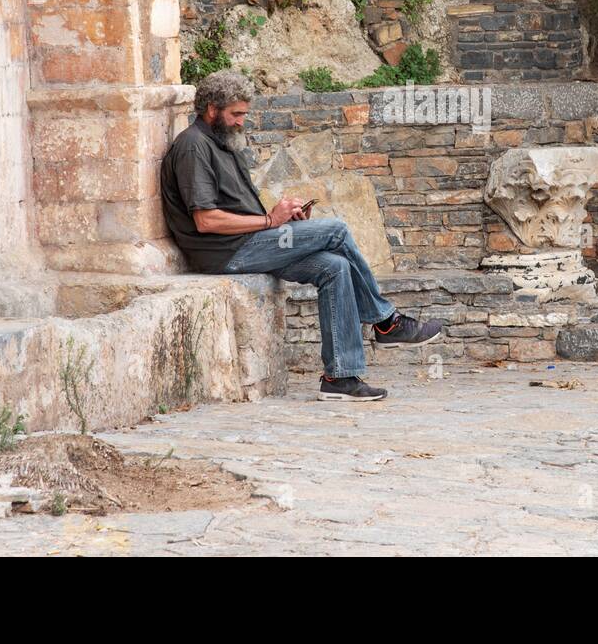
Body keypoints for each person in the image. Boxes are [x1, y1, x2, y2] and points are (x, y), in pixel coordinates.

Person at [161, 70, 443, 401]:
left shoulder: (223, 143)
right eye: (236, 114)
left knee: (335, 267)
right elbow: (206, 221)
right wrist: (271, 220)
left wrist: (283, 219)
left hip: (252, 243)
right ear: (212, 108)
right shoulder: (193, 147)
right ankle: (386, 322)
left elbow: (238, 211)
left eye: (244, 114)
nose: (241, 122)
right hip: (227, 252)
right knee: (336, 229)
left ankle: (340, 378)